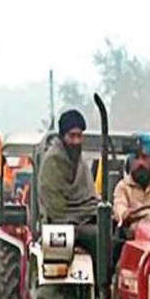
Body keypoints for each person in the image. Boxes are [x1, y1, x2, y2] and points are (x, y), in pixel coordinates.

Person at [36, 109, 100, 256]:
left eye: (79, 136)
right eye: (72, 136)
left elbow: (89, 198)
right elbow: (55, 208)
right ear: (62, 136)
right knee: (99, 235)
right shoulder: (53, 161)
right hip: (62, 224)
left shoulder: (80, 161)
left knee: (118, 231)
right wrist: (82, 220)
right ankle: (104, 277)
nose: (76, 141)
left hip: (84, 219)